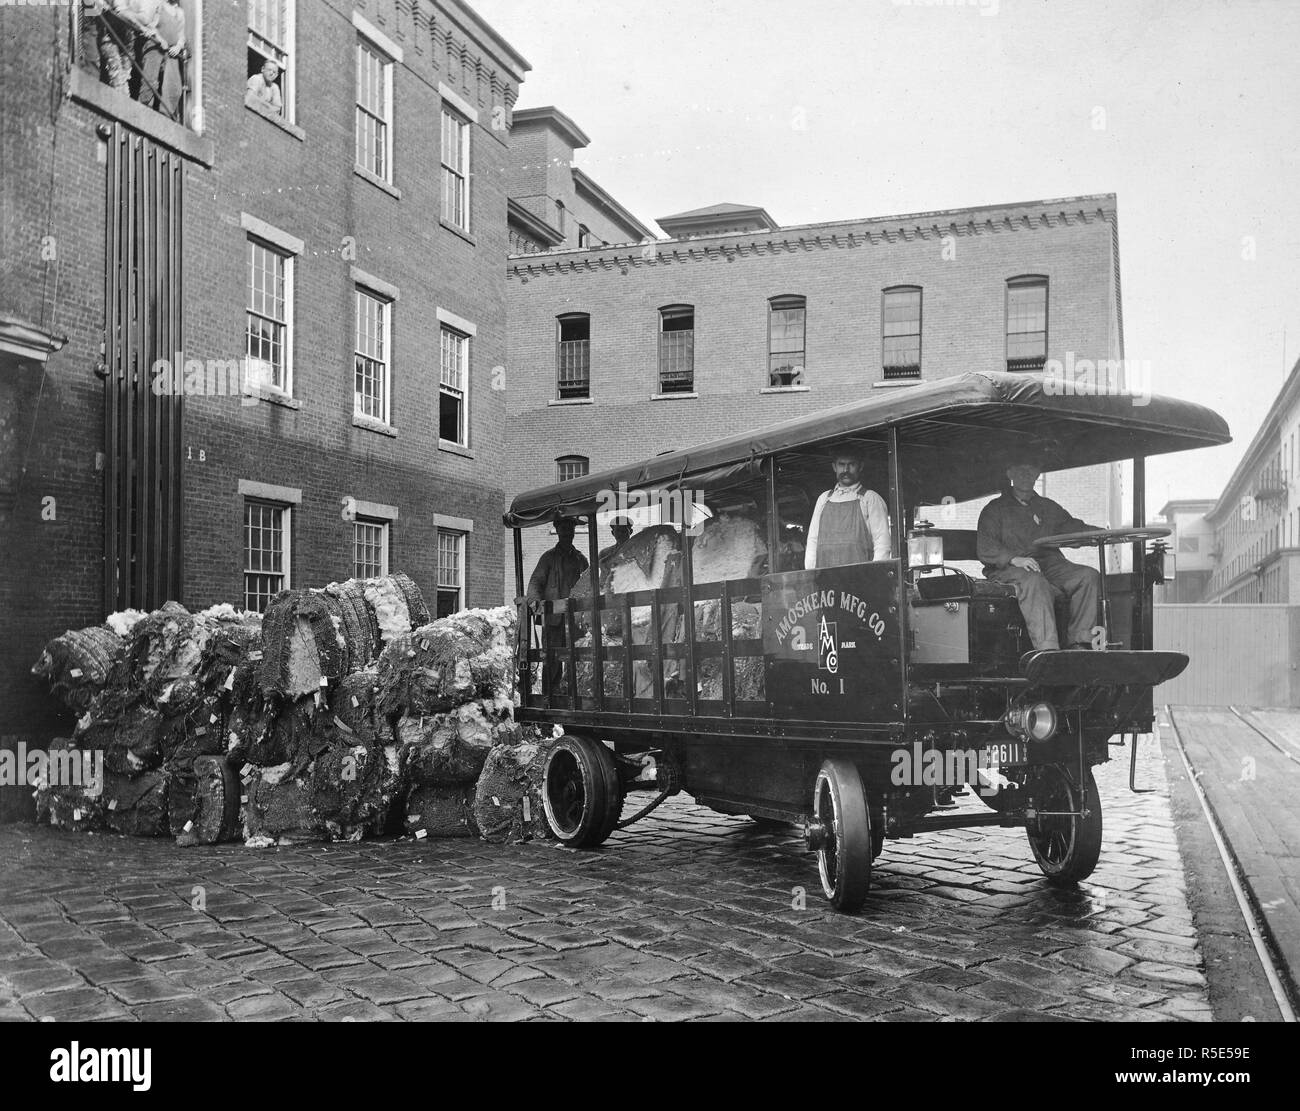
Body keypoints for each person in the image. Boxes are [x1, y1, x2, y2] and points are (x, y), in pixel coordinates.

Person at [976, 453, 1102, 651]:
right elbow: (985, 547)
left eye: (1031, 469)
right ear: (1010, 473)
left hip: (1050, 565)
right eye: (1020, 469)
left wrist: (1102, 534)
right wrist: (1013, 559)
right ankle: (1048, 649)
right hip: (1007, 569)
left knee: (1088, 576)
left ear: (1038, 474)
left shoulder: (1048, 507)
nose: (1026, 474)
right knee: (1034, 580)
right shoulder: (994, 509)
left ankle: (1081, 642)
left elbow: (1072, 527)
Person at [526, 518, 589, 690]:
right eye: (563, 529)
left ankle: (574, 696)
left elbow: (589, 586)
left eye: (570, 529)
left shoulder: (580, 559)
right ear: (558, 531)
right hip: (553, 620)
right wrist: (534, 603)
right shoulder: (548, 558)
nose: (567, 533)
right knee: (552, 659)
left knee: (575, 659)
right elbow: (535, 582)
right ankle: (551, 698)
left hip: (575, 620)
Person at [804, 448, 892, 568]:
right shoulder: (824, 499)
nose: (846, 470)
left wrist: (875, 575)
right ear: (834, 467)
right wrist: (810, 573)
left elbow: (882, 542)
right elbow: (813, 540)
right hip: (825, 578)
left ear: (860, 467)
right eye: (841, 465)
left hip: (861, 578)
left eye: (851, 464)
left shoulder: (870, 498)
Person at [137, 0, 186, 117]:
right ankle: (142, 113)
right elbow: (148, 25)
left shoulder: (179, 12)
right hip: (154, 46)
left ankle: (164, 116)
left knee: (174, 88)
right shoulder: (158, 4)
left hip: (171, 53)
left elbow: (181, 35)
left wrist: (178, 47)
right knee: (150, 82)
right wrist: (159, 39)